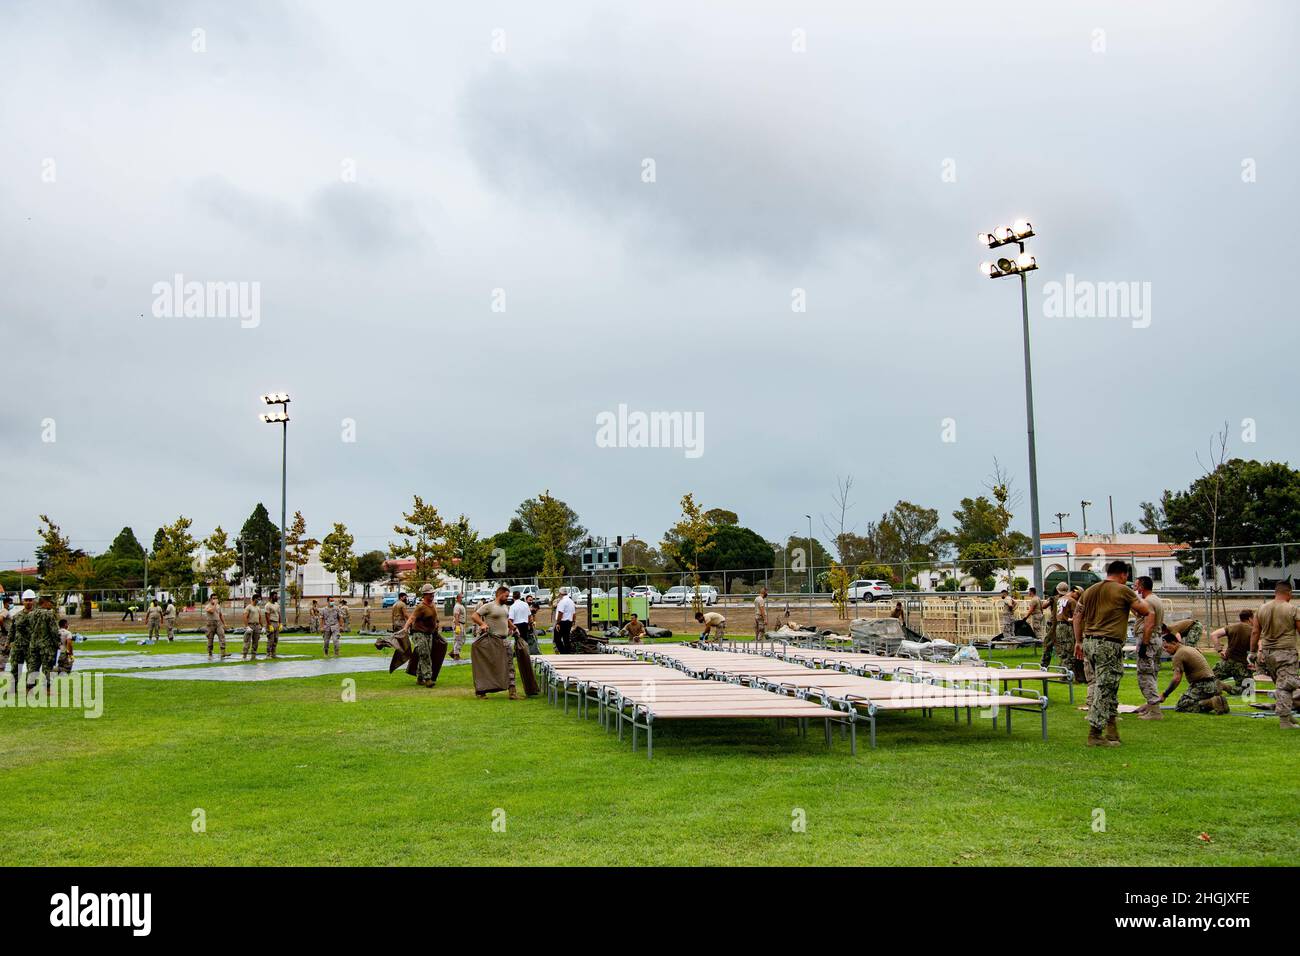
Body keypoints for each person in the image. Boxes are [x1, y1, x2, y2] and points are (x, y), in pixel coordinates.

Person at [1073, 561, 1150, 747]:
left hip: (1090, 642)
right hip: (1108, 643)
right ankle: (1095, 734)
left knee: (1110, 685)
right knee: (1104, 687)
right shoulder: (1123, 590)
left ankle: (1112, 728)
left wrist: (1078, 641)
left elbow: (1077, 616)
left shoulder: (1090, 590)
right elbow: (1145, 610)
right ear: (1123, 574)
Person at [1250, 581, 1300, 729]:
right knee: (1286, 686)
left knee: (1280, 684)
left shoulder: (1262, 608)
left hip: (1267, 654)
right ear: (1289, 593)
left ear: (1275, 593)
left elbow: (1255, 632)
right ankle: (1284, 721)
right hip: (1285, 652)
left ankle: (1287, 714)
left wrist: (1252, 652)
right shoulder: (1292, 609)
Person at [1155, 629, 1229, 715]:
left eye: (1166, 647)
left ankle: (1211, 702)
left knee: (1181, 706)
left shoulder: (1178, 655)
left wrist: (1165, 694)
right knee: (1191, 699)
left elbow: (1176, 679)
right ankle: (1220, 701)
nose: (1165, 650)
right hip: (1213, 684)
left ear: (1174, 643)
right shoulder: (1189, 648)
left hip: (1202, 685)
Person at [470, 586, 519, 699]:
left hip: (504, 640)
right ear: (500, 594)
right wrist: (482, 624)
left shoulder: (505, 607)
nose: (507, 598)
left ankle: (512, 692)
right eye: (506, 596)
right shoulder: (489, 606)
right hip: (492, 640)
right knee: (487, 665)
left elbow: (505, 619)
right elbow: (474, 615)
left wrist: (513, 627)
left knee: (509, 665)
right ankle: (481, 691)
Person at [398, 583, 445, 687]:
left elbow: (435, 618)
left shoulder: (433, 605)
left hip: (429, 634)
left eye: (432, 593)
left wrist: (437, 625)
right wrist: (405, 628)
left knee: (424, 655)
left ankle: (420, 678)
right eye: (429, 594)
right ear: (424, 595)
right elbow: (412, 618)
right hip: (418, 633)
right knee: (425, 654)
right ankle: (428, 678)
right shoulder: (420, 607)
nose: (432, 595)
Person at [1133, 576, 1165, 718]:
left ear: (1142, 587)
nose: (1135, 588)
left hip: (1148, 639)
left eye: (1136, 586)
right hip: (1156, 638)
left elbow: (1149, 624)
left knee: (1145, 674)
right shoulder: (1156, 599)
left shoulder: (1147, 601)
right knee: (1152, 673)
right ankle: (1150, 705)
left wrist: (1144, 645)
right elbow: (1141, 615)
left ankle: (1154, 710)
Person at [1209, 609, 1254, 695]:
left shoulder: (1231, 627)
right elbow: (1259, 647)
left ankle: (1217, 686)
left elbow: (1214, 634)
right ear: (1250, 619)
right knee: (1248, 691)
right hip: (1242, 664)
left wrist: (1219, 650)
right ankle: (1227, 687)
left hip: (1227, 661)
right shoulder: (1252, 631)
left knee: (1208, 679)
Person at [26, 594, 62, 691]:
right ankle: (48, 690)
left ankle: (29, 689)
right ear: (45, 602)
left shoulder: (30, 614)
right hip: (46, 646)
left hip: (33, 645)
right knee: (48, 668)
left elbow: (29, 629)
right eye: (50, 602)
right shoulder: (48, 614)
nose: (51, 604)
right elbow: (54, 631)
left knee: (33, 667)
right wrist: (58, 643)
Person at [8, 589, 37, 690]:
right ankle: (12, 688)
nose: (28, 602)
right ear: (22, 601)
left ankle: (30, 688)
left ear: (34, 601)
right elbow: (12, 630)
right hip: (18, 646)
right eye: (26, 600)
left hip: (31, 646)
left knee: (32, 668)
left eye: (30, 600)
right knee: (15, 667)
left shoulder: (38, 615)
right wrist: (8, 643)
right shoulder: (17, 616)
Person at [509, 590, 534, 657]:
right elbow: (529, 616)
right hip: (525, 624)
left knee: (517, 640)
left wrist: (510, 628)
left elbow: (511, 618)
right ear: (520, 596)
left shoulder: (512, 606)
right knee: (524, 639)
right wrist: (529, 624)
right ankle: (525, 652)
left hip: (516, 625)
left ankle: (519, 653)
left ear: (513, 597)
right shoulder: (525, 604)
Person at [203, 593, 228, 660]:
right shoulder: (207, 606)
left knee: (222, 636)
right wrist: (215, 604)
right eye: (214, 598)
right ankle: (210, 653)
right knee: (210, 639)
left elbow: (220, 615)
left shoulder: (218, 606)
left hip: (218, 623)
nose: (215, 599)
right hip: (210, 624)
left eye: (216, 598)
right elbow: (211, 611)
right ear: (210, 599)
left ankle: (223, 652)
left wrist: (224, 623)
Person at [553, 588, 577, 654]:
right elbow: (574, 613)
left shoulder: (562, 601)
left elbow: (560, 612)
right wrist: (573, 622)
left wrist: (558, 623)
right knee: (566, 638)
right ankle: (567, 652)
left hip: (562, 622)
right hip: (569, 622)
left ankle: (563, 652)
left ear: (560, 594)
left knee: (557, 638)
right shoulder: (571, 601)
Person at [264, 592, 282, 659]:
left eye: (277, 596)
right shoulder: (268, 605)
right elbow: (267, 616)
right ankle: (268, 654)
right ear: (271, 597)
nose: (277, 597)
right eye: (275, 596)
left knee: (276, 639)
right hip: (271, 622)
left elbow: (279, 614)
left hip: (276, 623)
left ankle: (273, 654)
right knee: (270, 640)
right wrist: (269, 625)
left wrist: (280, 623)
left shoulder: (277, 604)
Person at [451, 594, 467, 659]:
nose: (462, 599)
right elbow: (456, 616)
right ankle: (456, 655)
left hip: (462, 624)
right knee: (458, 639)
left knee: (463, 639)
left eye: (463, 597)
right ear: (457, 598)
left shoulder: (461, 606)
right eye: (461, 597)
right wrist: (457, 626)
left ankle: (453, 652)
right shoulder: (457, 606)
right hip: (458, 624)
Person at [0, 595, 12, 673]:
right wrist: (3, 628)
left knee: (5, 653)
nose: (11, 604)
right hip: (4, 636)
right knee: (4, 652)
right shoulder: (5, 611)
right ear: (6, 603)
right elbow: (0, 619)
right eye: (10, 603)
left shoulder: (4, 610)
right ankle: (1, 670)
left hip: (5, 635)